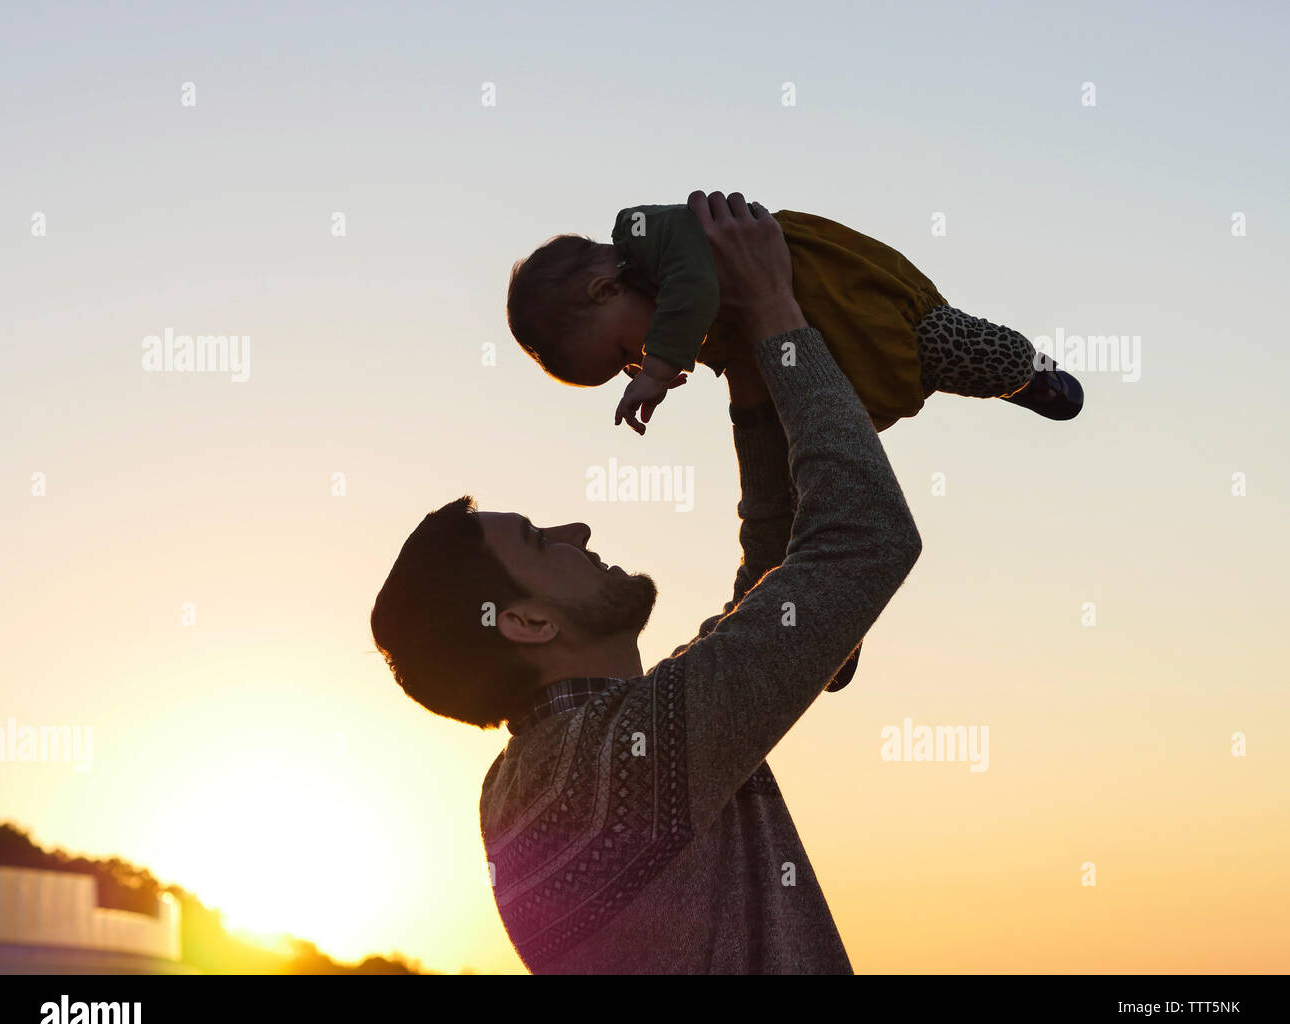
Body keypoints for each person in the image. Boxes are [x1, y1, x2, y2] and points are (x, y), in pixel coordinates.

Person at [371, 191, 922, 973]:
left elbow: (773, 605)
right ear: (524, 621)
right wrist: (774, 310)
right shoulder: (603, 768)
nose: (577, 530)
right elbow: (865, 538)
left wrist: (750, 380)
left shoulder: (567, 770)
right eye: (539, 539)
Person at [506, 197, 1082, 435]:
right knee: (824, 441)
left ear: (605, 289)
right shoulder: (676, 320)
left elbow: (694, 283)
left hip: (838, 290)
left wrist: (656, 369)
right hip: (815, 345)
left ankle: (1025, 374)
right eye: (630, 370)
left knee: (945, 346)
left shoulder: (642, 234)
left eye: (621, 357)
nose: (636, 365)